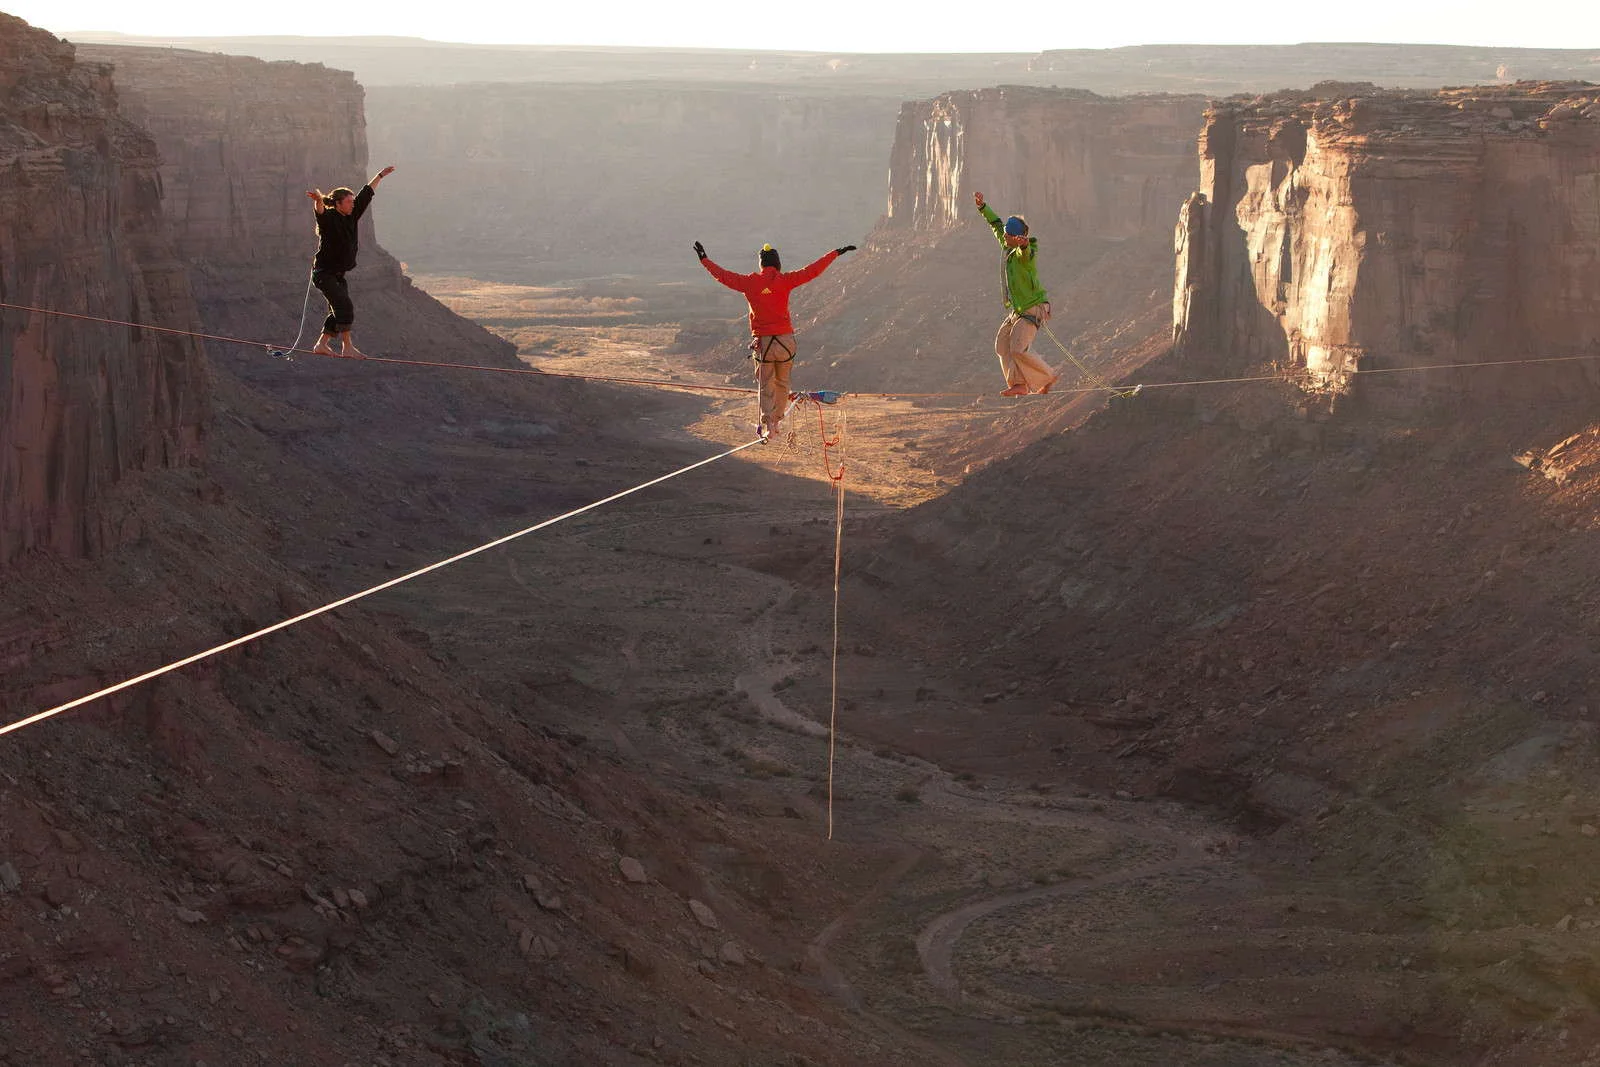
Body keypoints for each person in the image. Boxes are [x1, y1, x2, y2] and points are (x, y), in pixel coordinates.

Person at [695, 239, 855, 440]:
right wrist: (835, 253)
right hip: (785, 342)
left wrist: (704, 260)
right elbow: (812, 271)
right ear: (777, 263)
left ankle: (769, 424)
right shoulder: (785, 280)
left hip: (764, 344)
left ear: (761, 264)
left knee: (766, 384)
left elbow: (723, 276)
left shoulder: (749, 282)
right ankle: (777, 421)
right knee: (783, 382)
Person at [305, 165, 396, 358]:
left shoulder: (352, 215)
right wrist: (319, 201)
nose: (352, 204)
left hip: (337, 275)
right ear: (338, 204)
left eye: (352, 201)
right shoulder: (330, 219)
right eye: (348, 202)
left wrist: (380, 175)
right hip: (324, 274)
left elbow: (366, 193)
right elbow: (320, 212)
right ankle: (347, 347)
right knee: (345, 307)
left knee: (337, 310)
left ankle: (321, 345)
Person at [974, 191, 1058, 396]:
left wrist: (1024, 244)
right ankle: (1019, 384)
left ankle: (1046, 377)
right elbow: (996, 224)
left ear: (1016, 237)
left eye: (1007, 234)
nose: (1003, 236)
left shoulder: (1025, 254)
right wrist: (983, 207)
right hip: (1019, 310)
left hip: (1033, 307)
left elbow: (1026, 252)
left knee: (1018, 349)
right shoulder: (1008, 244)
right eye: (1005, 233)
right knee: (1002, 346)